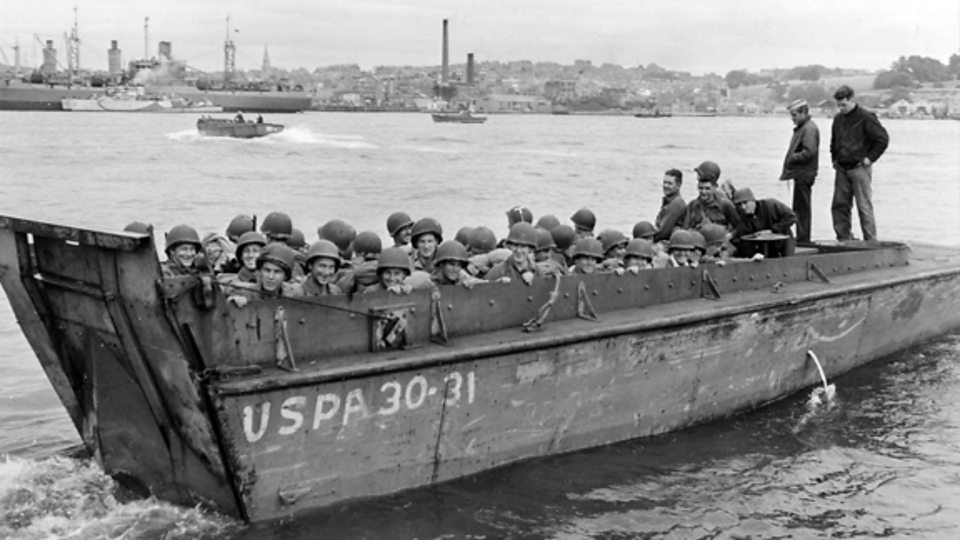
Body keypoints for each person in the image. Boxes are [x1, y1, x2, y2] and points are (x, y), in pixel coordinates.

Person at [830, 85, 889, 242]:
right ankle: (843, 238)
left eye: (843, 104)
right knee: (839, 205)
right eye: (838, 105)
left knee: (864, 206)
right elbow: (834, 141)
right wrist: (834, 159)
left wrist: (870, 158)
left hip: (860, 168)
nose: (840, 108)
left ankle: (870, 241)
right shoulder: (838, 119)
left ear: (852, 100)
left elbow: (882, 139)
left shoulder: (866, 117)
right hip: (842, 167)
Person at [780, 99, 820, 243]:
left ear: (803, 113)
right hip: (802, 173)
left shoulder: (809, 129)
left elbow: (809, 152)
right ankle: (803, 236)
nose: (792, 118)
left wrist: (792, 157)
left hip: (804, 174)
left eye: (794, 115)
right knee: (800, 207)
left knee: (802, 208)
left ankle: (803, 238)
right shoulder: (806, 127)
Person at [227, 243, 300, 307]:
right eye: (267, 270)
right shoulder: (244, 294)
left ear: (285, 276)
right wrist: (233, 302)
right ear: (260, 271)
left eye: (277, 272)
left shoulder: (294, 296)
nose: (270, 277)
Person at [732, 188, 797, 258]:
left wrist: (773, 230)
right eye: (739, 205)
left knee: (788, 259)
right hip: (764, 245)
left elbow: (791, 217)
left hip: (784, 238)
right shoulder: (743, 219)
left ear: (753, 201)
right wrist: (753, 254)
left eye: (745, 203)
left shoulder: (771, 205)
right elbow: (744, 239)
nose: (743, 207)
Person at [683, 161, 740, 232]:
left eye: (707, 189)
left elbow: (738, 227)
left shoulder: (725, 204)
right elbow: (685, 228)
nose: (703, 192)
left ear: (714, 187)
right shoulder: (693, 205)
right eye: (701, 188)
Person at [654, 168, 686, 242]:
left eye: (669, 183)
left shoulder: (676, 204)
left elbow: (664, 231)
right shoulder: (669, 202)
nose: (666, 186)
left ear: (678, 185)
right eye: (664, 182)